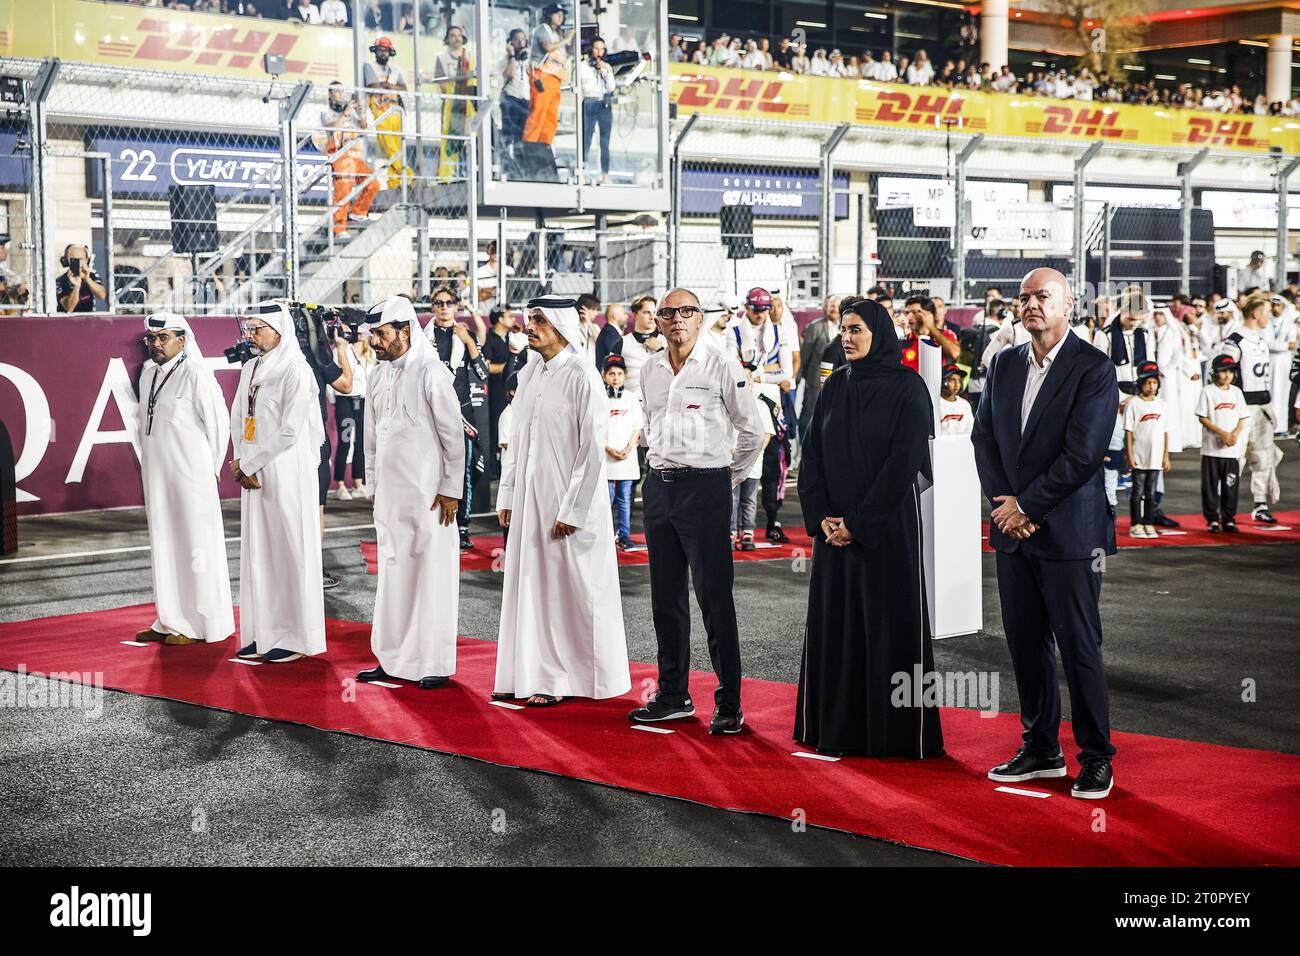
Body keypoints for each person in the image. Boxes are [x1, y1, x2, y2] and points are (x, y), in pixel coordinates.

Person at [971, 267, 1118, 800]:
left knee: (1080, 646)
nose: (1031, 304)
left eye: (1044, 296)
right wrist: (1002, 504)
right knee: (1025, 644)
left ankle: (1097, 756)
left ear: (1069, 303)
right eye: (1025, 297)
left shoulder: (1093, 368)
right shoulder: (1005, 363)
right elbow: (982, 435)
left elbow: (1083, 454)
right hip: (1014, 530)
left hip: (1069, 533)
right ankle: (1041, 748)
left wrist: (1026, 505)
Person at [795, 299, 943, 758]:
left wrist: (858, 524)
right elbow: (812, 453)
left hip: (887, 533)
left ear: (879, 332)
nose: (847, 337)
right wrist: (822, 516)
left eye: (857, 329)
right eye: (843, 330)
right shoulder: (836, 383)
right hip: (834, 534)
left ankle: (893, 736)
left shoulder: (909, 387)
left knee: (888, 629)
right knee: (837, 628)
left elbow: (903, 465)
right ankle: (837, 730)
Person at [629, 288, 764, 735]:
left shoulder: (722, 364)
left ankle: (729, 703)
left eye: (686, 312)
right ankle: (673, 695)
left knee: (714, 598)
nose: (676, 319)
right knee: (665, 599)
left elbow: (752, 431)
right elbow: (649, 426)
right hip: (660, 489)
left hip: (706, 487)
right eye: (667, 313)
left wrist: (728, 479)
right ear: (658, 321)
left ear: (700, 318)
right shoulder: (649, 370)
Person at [494, 295, 631, 706]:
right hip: (531, 501)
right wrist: (508, 493)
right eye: (528, 319)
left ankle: (564, 678)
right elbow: (518, 442)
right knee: (533, 587)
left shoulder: (582, 375)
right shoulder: (531, 373)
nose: (529, 326)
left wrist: (573, 508)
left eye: (538, 320)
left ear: (560, 326)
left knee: (570, 591)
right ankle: (531, 672)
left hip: (571, 506)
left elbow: (591, 450)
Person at [355, 297, 464, 689]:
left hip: (430, 496)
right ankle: (392, 658)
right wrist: (372, 485)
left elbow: (454, 436)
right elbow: (370, 438)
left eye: (381, 334)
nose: (375, 342)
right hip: (390, 495)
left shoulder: (432, 371)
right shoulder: (377, 375)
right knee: (394, 573)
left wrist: (452, 488)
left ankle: (432, 662)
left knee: (431, 574)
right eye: (372, 335)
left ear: (405, 331)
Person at [229, 301, 328, 663]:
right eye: (249, 329)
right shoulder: (251, 368)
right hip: (255, 470)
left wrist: (248, 462)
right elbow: (239, 416)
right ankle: (263, 633)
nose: (250, 335)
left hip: (286, 470)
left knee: (289, 551)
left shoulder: (296, 370)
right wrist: (242, 460)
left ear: (279, 331)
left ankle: (296, 637)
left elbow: (290, 430)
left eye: (258, 329)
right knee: (259, 553)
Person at [134, 312, 234, 647]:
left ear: (182, 339)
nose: (156, 344)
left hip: (192, 475)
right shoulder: (148, 375)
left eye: (163, 338)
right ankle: (169, 618)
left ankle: (202, 623)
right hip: (158, 474)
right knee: (164, 543)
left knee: (197, 547)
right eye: (151, 338)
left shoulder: (196, 373)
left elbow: (218, 424)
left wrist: (213, 468)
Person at [425, 288, 490, 548]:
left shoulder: (465, 335)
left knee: (463, 472)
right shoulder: (421, 338)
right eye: (438, 303)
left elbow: (483, 374)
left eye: (449, 303)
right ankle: (432, 526)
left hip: (462, 414)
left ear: (456, 307)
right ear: (432, 307)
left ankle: (462, 529)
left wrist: (469, 340)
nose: (443, 307)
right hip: (429, 413)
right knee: (431, 470)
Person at [1222, 293, 1285, 523]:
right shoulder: (1235, 340)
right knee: (1235, 458)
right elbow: (1222, 373)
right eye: (1267, 311)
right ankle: (1226, 508)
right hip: (1242, 408)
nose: (1269, 316)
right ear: (1256, 314)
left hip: (1262, 406)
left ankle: (1260, 503)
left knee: (1263, 457)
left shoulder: (1260, 339)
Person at [314, 82, 377, 241]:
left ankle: (358, 212)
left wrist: (361, 113)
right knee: (343, 191)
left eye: (342, 90)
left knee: (373, 183)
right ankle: (339, 227)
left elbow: (364, 127)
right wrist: (346, 113)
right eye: (336, 91)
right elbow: (332, 127)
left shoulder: (351, 112)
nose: (340, 93)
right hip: (339, 156)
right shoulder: (326, 112)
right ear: (330, 94)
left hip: (355, 156)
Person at [1196, 353, 1249, 533]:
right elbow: (1203, 418)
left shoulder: (1236, 392)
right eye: (1223, 371)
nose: (1227, 375)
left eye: (1230, 372)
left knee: (1230, 486)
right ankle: (1212, 518)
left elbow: (1243, 418)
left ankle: (1228, 518)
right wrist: (1223, 433)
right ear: (1215, 373)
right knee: (1210, 487)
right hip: (1211, 450)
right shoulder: (1208, 391)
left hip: (1231, 452)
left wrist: (1234, 434)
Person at [521, 3, 573, 181]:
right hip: (542, 76)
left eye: (562, 15)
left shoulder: (557, 34)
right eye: (557, 14)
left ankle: (544, 143)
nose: (560, 17)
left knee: (551, 115)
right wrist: (566, 40)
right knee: (539, 112)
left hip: (555, 78)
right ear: (549, 15)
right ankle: (531, 145)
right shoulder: (542, 29)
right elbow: (547, 47)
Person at [1123, 360, 1170, 539]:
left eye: (1154, 382)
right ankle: (1136, 524)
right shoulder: (1134, 404)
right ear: (1141, 384)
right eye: (1148, 382)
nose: (1151, 386)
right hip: (1139, 455)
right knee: (1137, 492)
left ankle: (1148, 522)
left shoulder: (1162, 405)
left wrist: (1165, 456)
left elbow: (1165, 432)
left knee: (1150, 492)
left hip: (1156, 457)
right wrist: (1129, 455)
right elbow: (1129, 432)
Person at [602, 354, 641, 550]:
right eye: (611, 374)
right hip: (606, 456)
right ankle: (605, 535)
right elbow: (596, 429)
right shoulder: (600, 399)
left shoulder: (631, 398)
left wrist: (627, 449)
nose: (615, 377)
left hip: (626, 457)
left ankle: (624, 535)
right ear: (604, 376)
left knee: (625, 499)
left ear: (625, 376)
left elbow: (637, 426)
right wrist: (608, 449)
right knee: (606, 499)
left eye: (619, 373)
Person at [331, 332, 374, 500]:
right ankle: (340, 485)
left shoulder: (371, 352)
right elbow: (335, 378)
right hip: (345, 401)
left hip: (363, 402)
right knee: (345, 441)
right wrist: (335, 399)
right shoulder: (342, 349)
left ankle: (358, 483)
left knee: (361, 443)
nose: (366, 333)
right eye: (362, 330)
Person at [363, 36, 408, 189]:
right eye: (380, 50)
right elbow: (374, 86)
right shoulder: (369, 66)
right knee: (388, 146)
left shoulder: (395, 70)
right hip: (381, 112)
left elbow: (404, 88)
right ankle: (408, 175)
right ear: (375, 51)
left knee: (395, 147)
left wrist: (388, 86)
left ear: (390, 52)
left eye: (385, 51)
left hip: (396, 111)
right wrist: (390, 86)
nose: (383, 53)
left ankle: (394, 182)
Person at [578, 36, 616, 183]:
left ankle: (605, 173)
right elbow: (581, 86)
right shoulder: (583, 66)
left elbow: (611, 87)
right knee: (586, 139)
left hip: (604, 103)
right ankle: (583, 170)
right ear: (590, 50)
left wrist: (606, 72)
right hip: (589, 102)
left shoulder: (606, 66)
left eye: (602, 49)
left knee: (605, 141)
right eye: (596, 48)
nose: (599, 52)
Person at [499, 28, 532, 165]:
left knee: (522, 135)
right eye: (517, 40)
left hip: (525, 101)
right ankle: (506, 163)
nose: (520, 42)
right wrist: (512, 56)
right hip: (510, 99)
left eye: (523, 39)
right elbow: (510, 75)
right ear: (510, 42)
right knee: (509, 134)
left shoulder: (527, 60)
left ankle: (520, 164)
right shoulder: (505, 60)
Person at [56, 243, 107, 313]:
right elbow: (69, 308)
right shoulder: (60, 281)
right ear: (66, 260)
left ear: (87, 260)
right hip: (67, 321)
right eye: (74, 259)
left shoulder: (91, 276)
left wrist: (88, 279)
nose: (78, 262)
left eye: (81, 259)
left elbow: (102, 295)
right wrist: (76, 286)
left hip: (88, 320)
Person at [938, 363, 974, 436]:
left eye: (959, 381)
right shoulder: (936, 403)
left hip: (962, 445)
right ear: (943, 382)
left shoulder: (965, 404)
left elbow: (971, 430)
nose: (956, 385)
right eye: (952, 380)